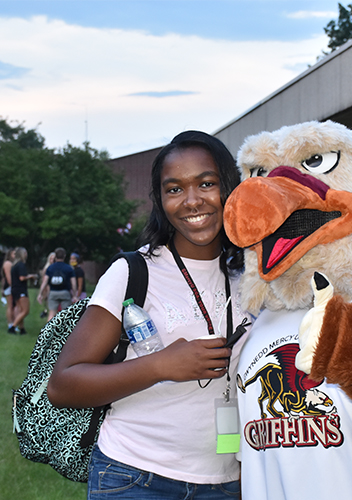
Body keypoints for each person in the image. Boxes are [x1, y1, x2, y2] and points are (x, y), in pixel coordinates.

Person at [48, 130, 248, 499]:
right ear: (159, 200)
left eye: (207, 183)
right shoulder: (133, 272)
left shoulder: (254, 277)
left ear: (230, 187)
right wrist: (160, 366)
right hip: (135, 476)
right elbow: (63, 385)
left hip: (226, 482)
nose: (192, 200)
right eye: (174, 189)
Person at [38, 247, 76, 321]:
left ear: (55, 256)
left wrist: (40, 293)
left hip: (53, 292)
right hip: (65, 292)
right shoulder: (68, 268)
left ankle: (49, 327)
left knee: (52, 313)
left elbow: (45, 282)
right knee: (66, 313)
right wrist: (74, 295)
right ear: (64, 256)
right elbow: (73, 283)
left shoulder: (50, 268)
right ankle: (64, 328)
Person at [9, 247, 37, 335]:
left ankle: (22, 329)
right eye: (25, 253)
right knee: (25, 310)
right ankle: (13, 327)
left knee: (20, 309)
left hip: (15, 289)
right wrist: (31, 276)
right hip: (20, 289)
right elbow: (22, 278)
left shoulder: (14, 265)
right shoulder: (21, 265)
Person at [36, 251, 55, 318]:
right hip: (48, 289)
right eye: (51, 259)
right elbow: (44, 281)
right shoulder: (47, 269)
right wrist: (43, 292)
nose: (52, 260)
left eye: (53, 259)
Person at [2, 249, 16, 331]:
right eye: (14, 254)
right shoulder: (8, 263)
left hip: (12, 287)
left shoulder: (12, 263)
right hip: (10, 287)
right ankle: (10, 323)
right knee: (10, 306)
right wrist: (13, 286)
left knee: (13, 306)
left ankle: (14, 322)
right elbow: (8, 277)